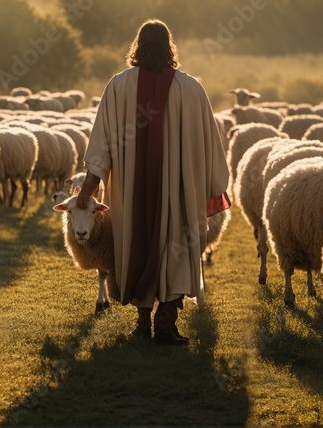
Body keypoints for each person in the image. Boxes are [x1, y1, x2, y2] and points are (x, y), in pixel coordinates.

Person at [76, 19, 230, 345]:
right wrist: (212, 184)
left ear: (138, 46)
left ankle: (143, 323)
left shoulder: (118, 85)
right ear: (169, 46)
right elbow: (209, 143)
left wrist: (88, 189)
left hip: (133, 192)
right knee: (176, 248)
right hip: (180, 190)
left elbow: (101, 145)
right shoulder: (191, 88)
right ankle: (166, 323)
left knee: (138, 243)